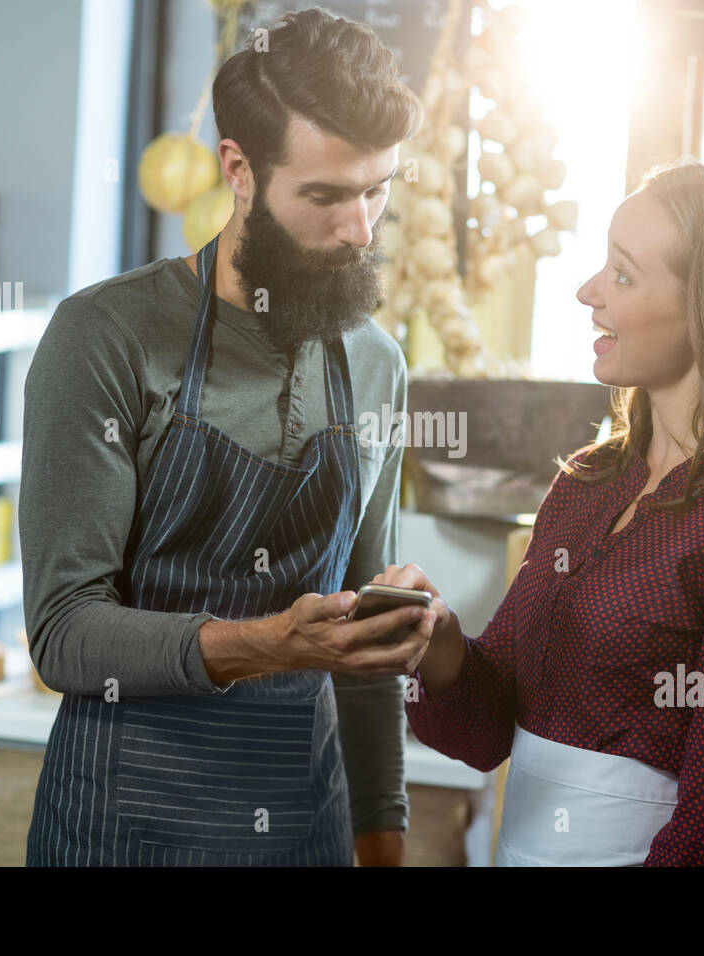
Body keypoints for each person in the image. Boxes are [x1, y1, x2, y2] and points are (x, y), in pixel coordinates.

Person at [22, 8, 433, 867]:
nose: (359, 229)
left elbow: (365, 659)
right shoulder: (109, 336)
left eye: (377, 189)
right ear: (238, 170)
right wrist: (273, 643)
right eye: (323, 195)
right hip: (119, 824)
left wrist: (382, 843)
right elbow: (65, 633)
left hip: (303, 832)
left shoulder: (377, 366)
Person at [374, 159, 704, 866]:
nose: (588, 292)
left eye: (623, 276)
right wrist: (437, 641)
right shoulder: (588, 481)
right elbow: (484, 733)